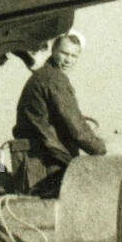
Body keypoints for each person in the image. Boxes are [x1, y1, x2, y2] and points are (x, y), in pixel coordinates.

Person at [12, 33, 106, 195]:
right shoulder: (54, 80)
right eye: (64, 53)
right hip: (49, 161)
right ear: (54, 51)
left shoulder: (42, 75)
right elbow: (76, 127)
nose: (69, 60)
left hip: (35, 157)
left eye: (74, 56)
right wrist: (100, 148)